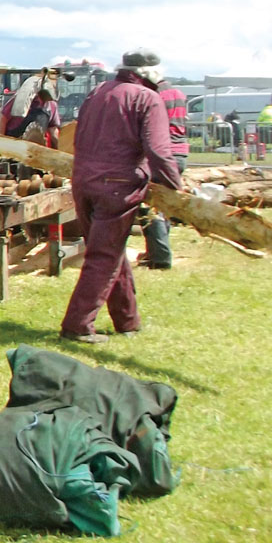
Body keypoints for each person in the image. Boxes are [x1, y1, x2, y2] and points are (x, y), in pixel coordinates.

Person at [59, 48, 184, 344]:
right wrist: (177, 191)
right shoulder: (147, 98)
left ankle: (127, 320)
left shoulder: (98, 92)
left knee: (110, 251)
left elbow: (77, 136)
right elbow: (158, 150)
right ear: (151, 74)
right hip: (118, 185)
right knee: (105, 255)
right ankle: (77, 325)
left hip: (82, 180)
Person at [140, 77, 189, 268]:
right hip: (180, 153)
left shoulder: (153, 95)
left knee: (150, 207)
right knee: (164, 204)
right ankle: (156, 251)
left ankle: (160, 258)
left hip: (161, 154)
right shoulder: (178, 94)